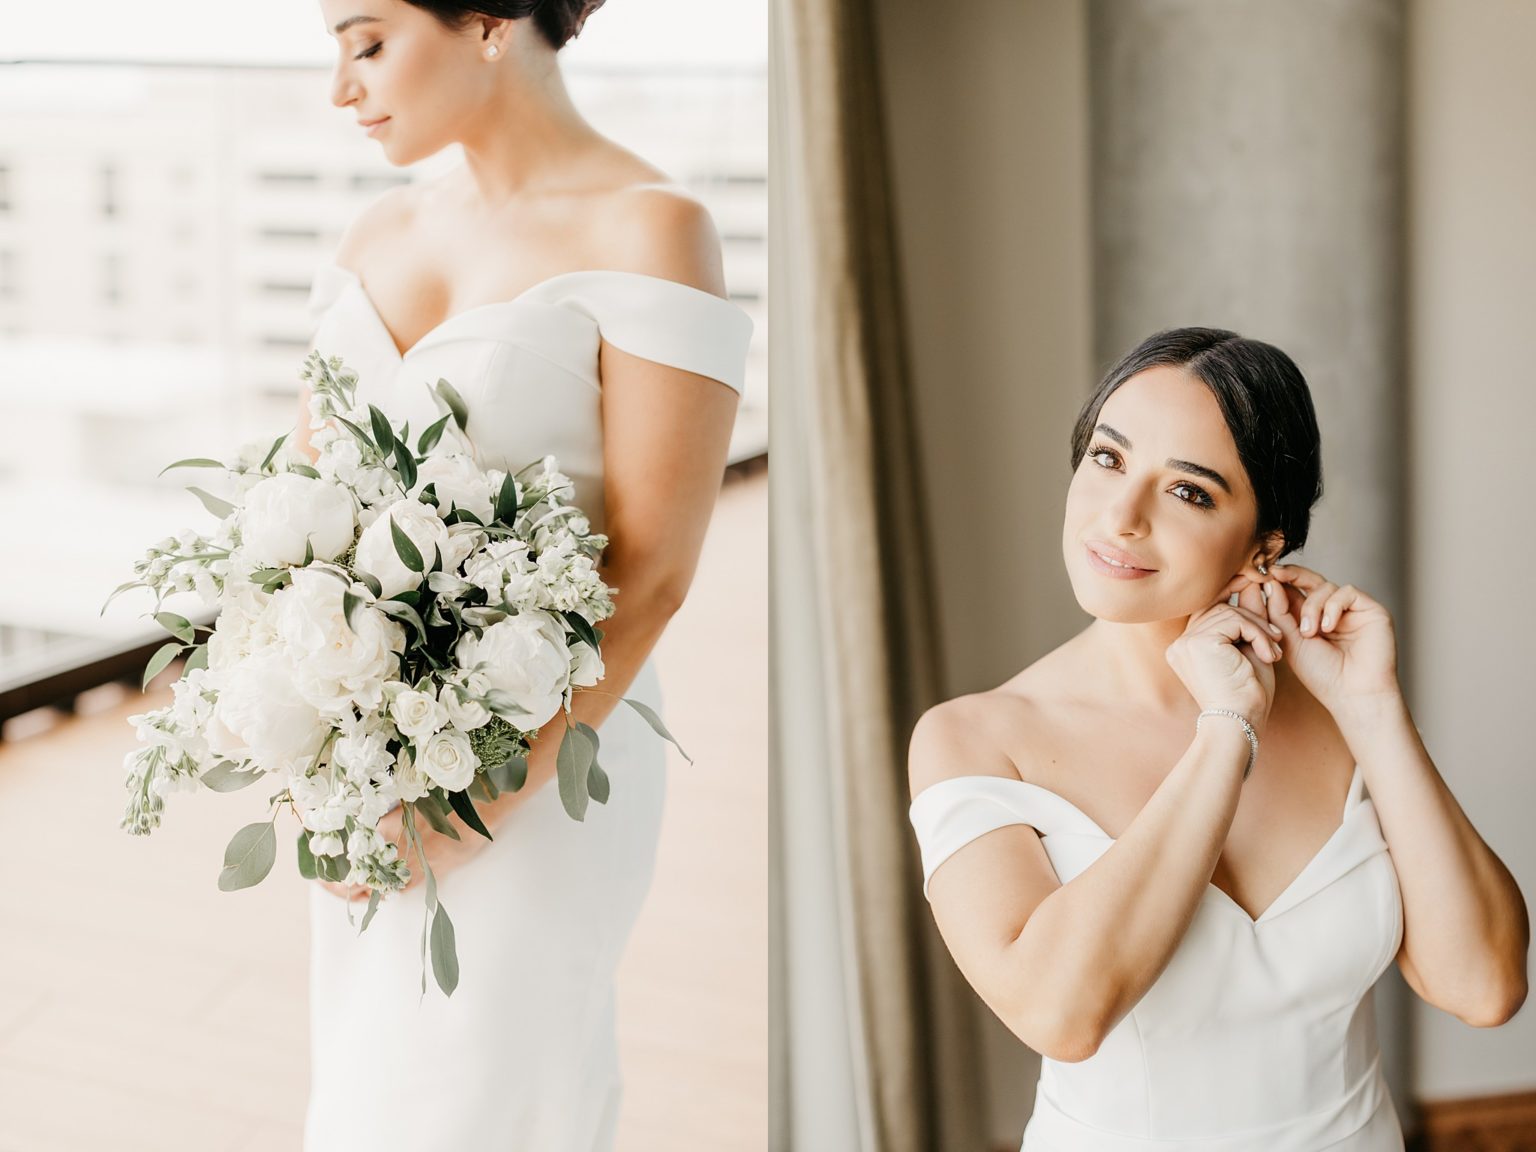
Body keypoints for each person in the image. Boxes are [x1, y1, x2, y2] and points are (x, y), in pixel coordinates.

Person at [295, 2, 753, 1148]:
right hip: (364, 751)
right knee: (365, 1083)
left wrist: (468, 805)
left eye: (368, 42)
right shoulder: (374, 236)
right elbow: (297, 514)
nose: (340, 90)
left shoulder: (655, 229)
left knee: (486, 1088)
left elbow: (649, 574)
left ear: (491, 24)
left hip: (551, 750)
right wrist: (307, 729)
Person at [907, 328, 1528, 1150]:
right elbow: (1061, 1013)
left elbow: (1484, 987)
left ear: (1264, 544)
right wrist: (1225, 733)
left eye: (1189, 492)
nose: (1120, 517)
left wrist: (1373, 708)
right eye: (1107, 458)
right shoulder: (975, 739)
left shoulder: (1339, 713)